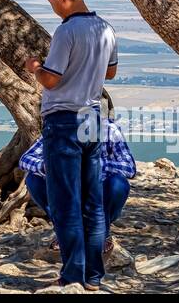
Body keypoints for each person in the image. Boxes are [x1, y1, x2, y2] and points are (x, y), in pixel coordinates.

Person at [23, 0, 118, 290]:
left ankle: (73, 273)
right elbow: (112, 71)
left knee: (65, 201)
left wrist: (35, 66)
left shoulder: (66, 32)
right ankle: (94, 275)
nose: (53, 7)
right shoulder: (105, 28)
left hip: (64, 118)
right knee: (92, 200)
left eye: (52, 1)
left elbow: (52, 78)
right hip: (92, 115)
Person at [20, 95, 135, 260]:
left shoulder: (110, 130)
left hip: (98, 193)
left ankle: (102, 233)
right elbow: (26, 159)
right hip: (67, 192)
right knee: (33, 180)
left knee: (118, 183)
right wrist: (48, 166)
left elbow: (129, 166)